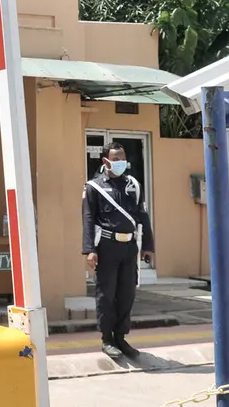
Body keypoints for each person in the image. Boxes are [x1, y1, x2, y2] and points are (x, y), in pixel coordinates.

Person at [82, 143, 155, 360]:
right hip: (106, 246)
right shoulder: (94, 187)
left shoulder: (133, 185)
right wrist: (90, 250)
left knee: (127, 293)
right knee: (106, 294)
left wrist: (148, 246)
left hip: (130, 247)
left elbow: (142, 215)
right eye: (116, 158)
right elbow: (87, 219)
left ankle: (121, 337)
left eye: (122, 157)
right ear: (106, 161)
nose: (120, 162)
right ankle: (106, 339)